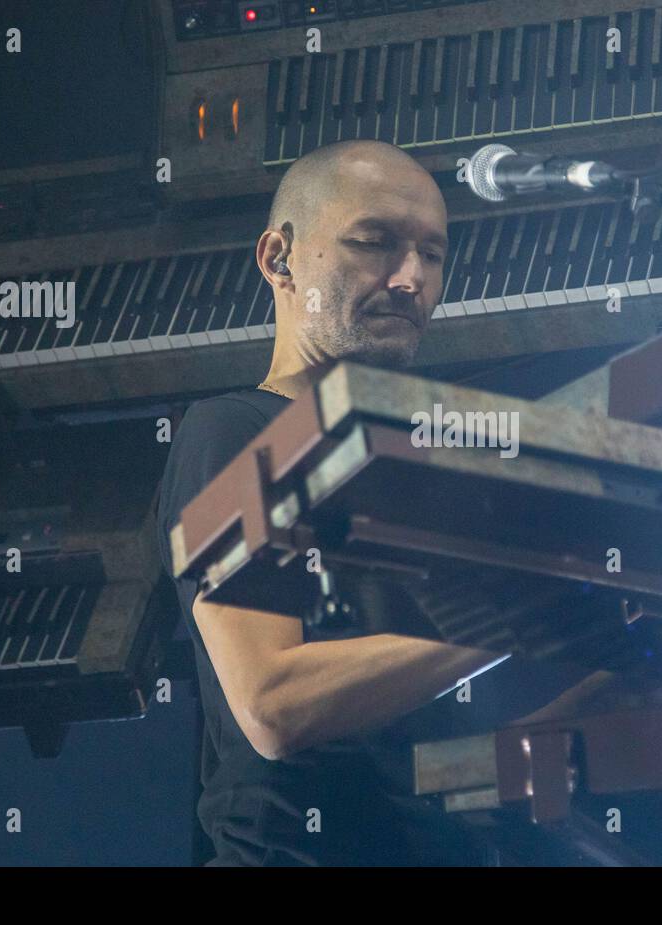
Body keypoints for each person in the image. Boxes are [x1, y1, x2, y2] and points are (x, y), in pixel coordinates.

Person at [155, 140, 600, 865]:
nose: (410, 278)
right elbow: (271, 704)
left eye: (433, 254)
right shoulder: (238, 431)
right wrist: (514, 620)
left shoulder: (413, 472)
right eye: (374, 243)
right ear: (278, 259)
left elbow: (421, 755)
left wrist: (613, 664)